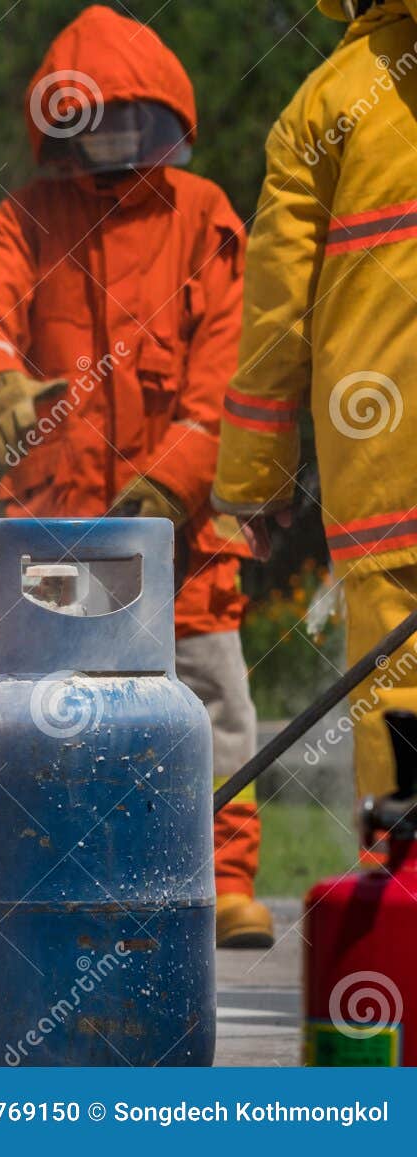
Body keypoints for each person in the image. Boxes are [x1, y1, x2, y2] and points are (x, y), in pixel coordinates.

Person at [0, 5, 272, 946]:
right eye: (92, 122)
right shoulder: (24, 219)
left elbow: (231, 376)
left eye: (133, 121)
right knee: (57, 726)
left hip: (184, 536)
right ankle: (67, 887)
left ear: (168, 117)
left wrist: (174, 483)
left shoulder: (206, 216)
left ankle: (223, 881)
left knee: (208, 704)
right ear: (59, 126)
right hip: (60, 537)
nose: (116, 144)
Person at [213, 0, 417, 810]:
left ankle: (406, 903)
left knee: (402, 693)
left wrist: (257, 479)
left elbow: (274, 319)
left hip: (386, 472)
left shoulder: (326, 107)